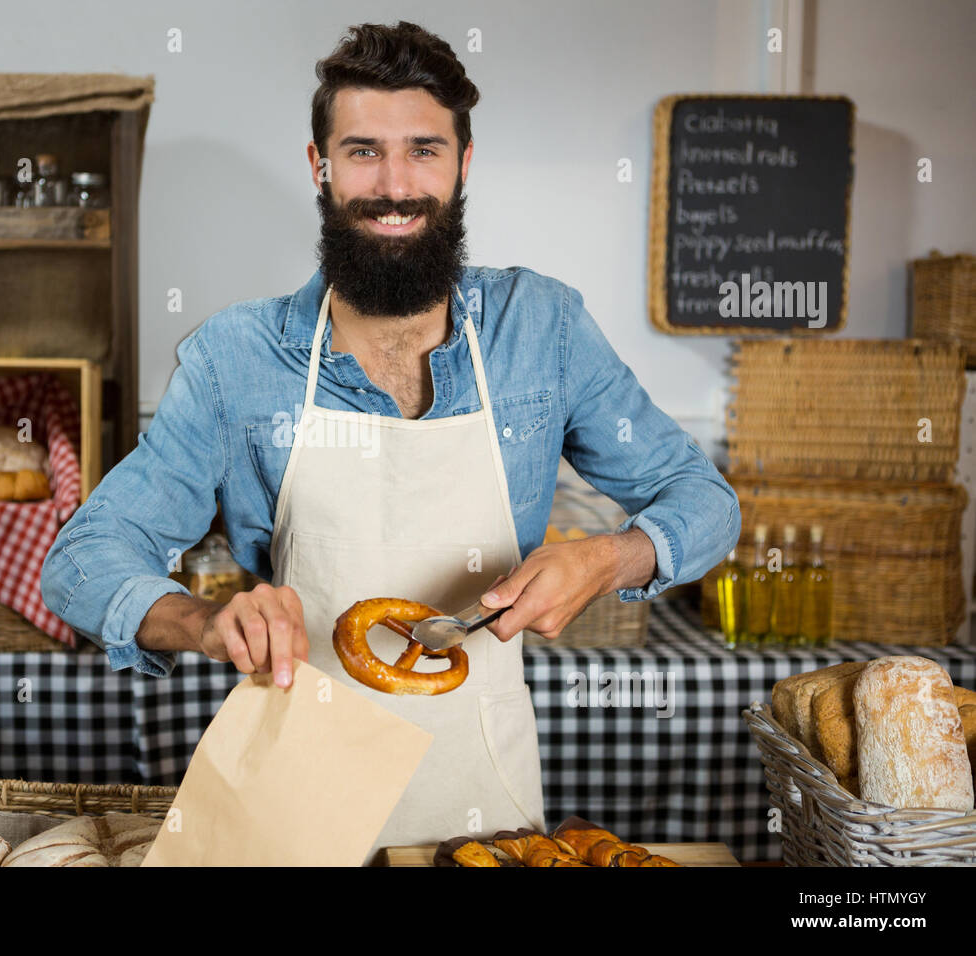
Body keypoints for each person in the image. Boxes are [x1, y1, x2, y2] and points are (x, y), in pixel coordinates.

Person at [42, 20, 740, 854]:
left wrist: (604, 559)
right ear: (321, 166)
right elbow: (83, 556)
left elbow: (707, 503)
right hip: (299, 791)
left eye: (424, 150)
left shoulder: (540, 329)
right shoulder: (238, 358)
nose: (395, 185)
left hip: (485, 792)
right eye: (364, 151)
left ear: (463, 164)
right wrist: (201, 619)